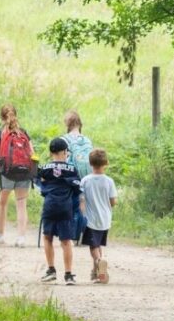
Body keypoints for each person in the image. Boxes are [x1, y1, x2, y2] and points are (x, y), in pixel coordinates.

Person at [0, 104, 34, 246]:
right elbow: (31, 152)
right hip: (24, 172)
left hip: (6, 172)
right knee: (21, 204)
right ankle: (21, 238)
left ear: (2, 117)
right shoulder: (23, 132)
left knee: (2, 202)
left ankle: (0, 235)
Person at [37, 137, 85, 285]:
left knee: (47, 238)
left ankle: (51, 270)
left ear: (51, 153)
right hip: (65, 208)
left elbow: (38, 183)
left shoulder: (45, 168)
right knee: (66, 241)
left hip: (50, 207)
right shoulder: (72, 169)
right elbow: (78, 189)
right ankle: (68, 274)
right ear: (64, 152)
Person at [81, 148, 118, 284]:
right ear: (106, 163)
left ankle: (98, 262)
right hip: (105, 219)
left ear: (90, 164)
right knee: (98, 245)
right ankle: (97, 273)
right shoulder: (109, 181)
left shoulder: (85, 180)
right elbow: (113, 201)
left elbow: (82, 200)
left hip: (91, 220)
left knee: (93, 246)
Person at [61, 110, 94, 178]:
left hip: (72, 178)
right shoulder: (87, 140)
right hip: (88, 177)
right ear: (80, 124)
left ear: (67, 124)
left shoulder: (64, 139)